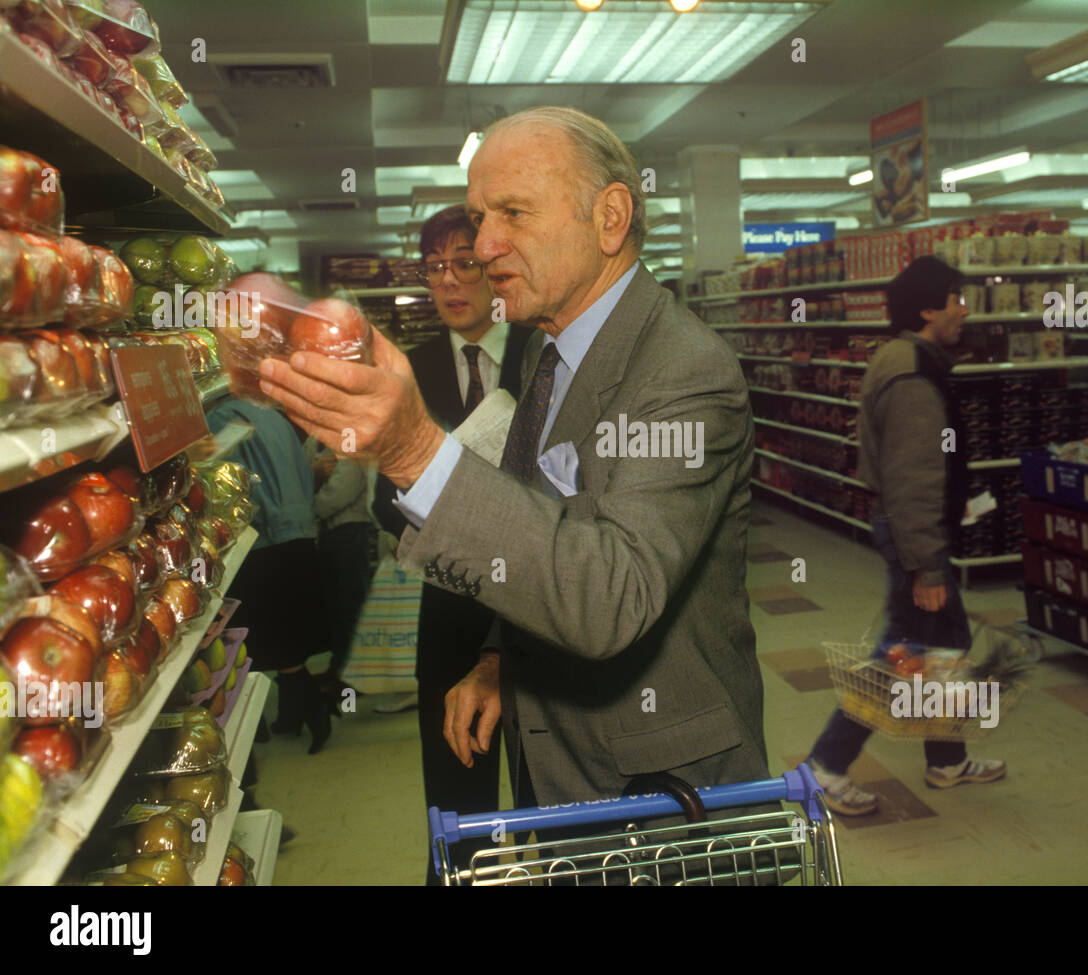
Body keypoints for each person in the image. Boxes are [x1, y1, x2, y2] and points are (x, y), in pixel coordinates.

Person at [256, 106, 769, 814]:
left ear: (609, 218)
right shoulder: (545, 355)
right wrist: (500, 658)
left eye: (514, 214)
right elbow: (542, 526)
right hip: (558, 768)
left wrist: (413, 448)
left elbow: (612, 593)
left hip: (661, 797)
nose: (485, 243)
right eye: (477, 216)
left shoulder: (685, 372)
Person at [806, 255, 1006, 815]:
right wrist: (928, 566)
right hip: (916, 537)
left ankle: (947, 760)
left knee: (946, 647)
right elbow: (914, 476)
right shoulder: (913, 373)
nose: (964, 310)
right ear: (927, 308)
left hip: (916, 532)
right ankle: (825, 767)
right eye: (955, 299)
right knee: (902, 655)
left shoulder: (912, 359)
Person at [369, 204, 530, 882]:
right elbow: (384, 499)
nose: (449, 281)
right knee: (457, 813)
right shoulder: (407, 369)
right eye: (435, 268)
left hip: (538, 611)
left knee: (550, 795)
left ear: (495, 265)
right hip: (449, 611)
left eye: (465, 262)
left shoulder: (538, 353)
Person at [206, 398, 332, 754]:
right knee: (289, 637)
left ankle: (302, 714)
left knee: (255, 642)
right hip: (299, 535)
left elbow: (231, 489)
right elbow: (305, 473)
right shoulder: (274, 418)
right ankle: (293, 716)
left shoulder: (217, 420)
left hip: (261, 541)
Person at [304, 438, 376, 698]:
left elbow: (339, 492)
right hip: (328, 532)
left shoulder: (351, 440)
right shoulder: (316, 440)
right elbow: (301, 471)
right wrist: (313, 470)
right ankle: (340, 668)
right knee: (336, 607)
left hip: (350, 532)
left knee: (351, 606)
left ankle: (354, 679)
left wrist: (304, 506)